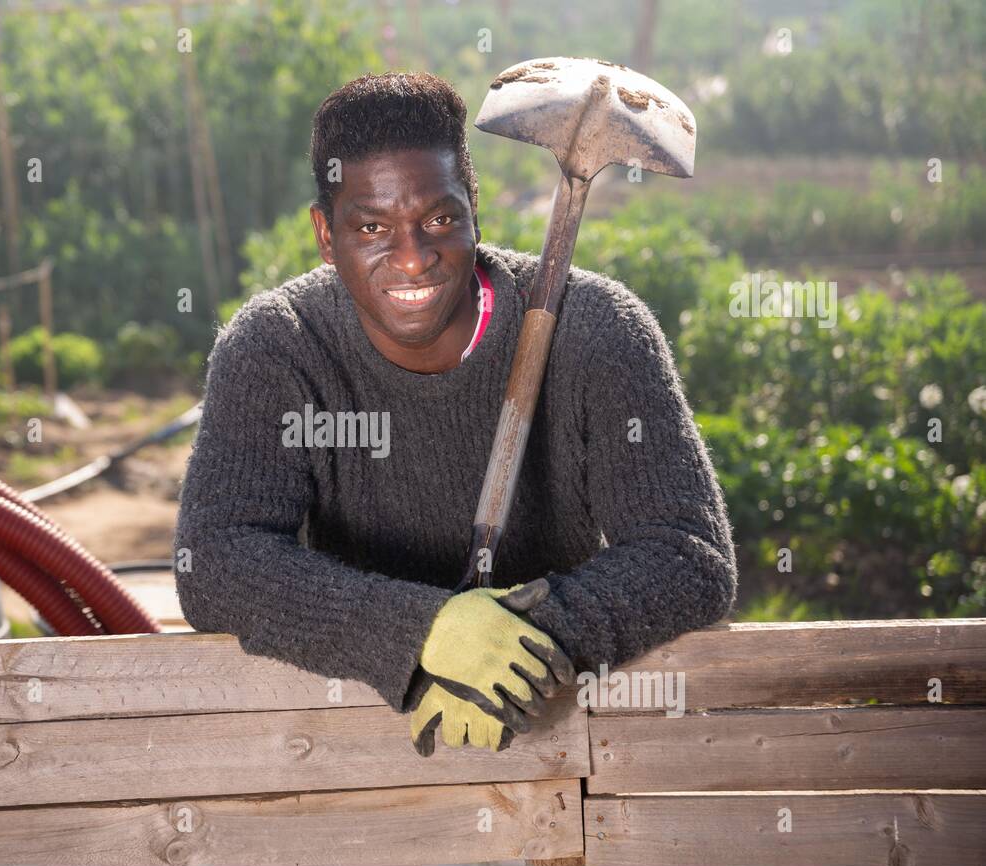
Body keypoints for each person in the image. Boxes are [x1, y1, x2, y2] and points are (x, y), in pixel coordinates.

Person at [173, 71, 736, 754]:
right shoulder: (279, 347)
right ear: (326, 234)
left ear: (475, 210)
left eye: (438, 220)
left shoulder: (596, 330)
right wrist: (426, 630)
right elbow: (215, 561)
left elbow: (689, 555)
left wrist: (521, 646)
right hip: (348, 746)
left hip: (556, 745)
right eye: (372, 226)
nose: (412, 259)